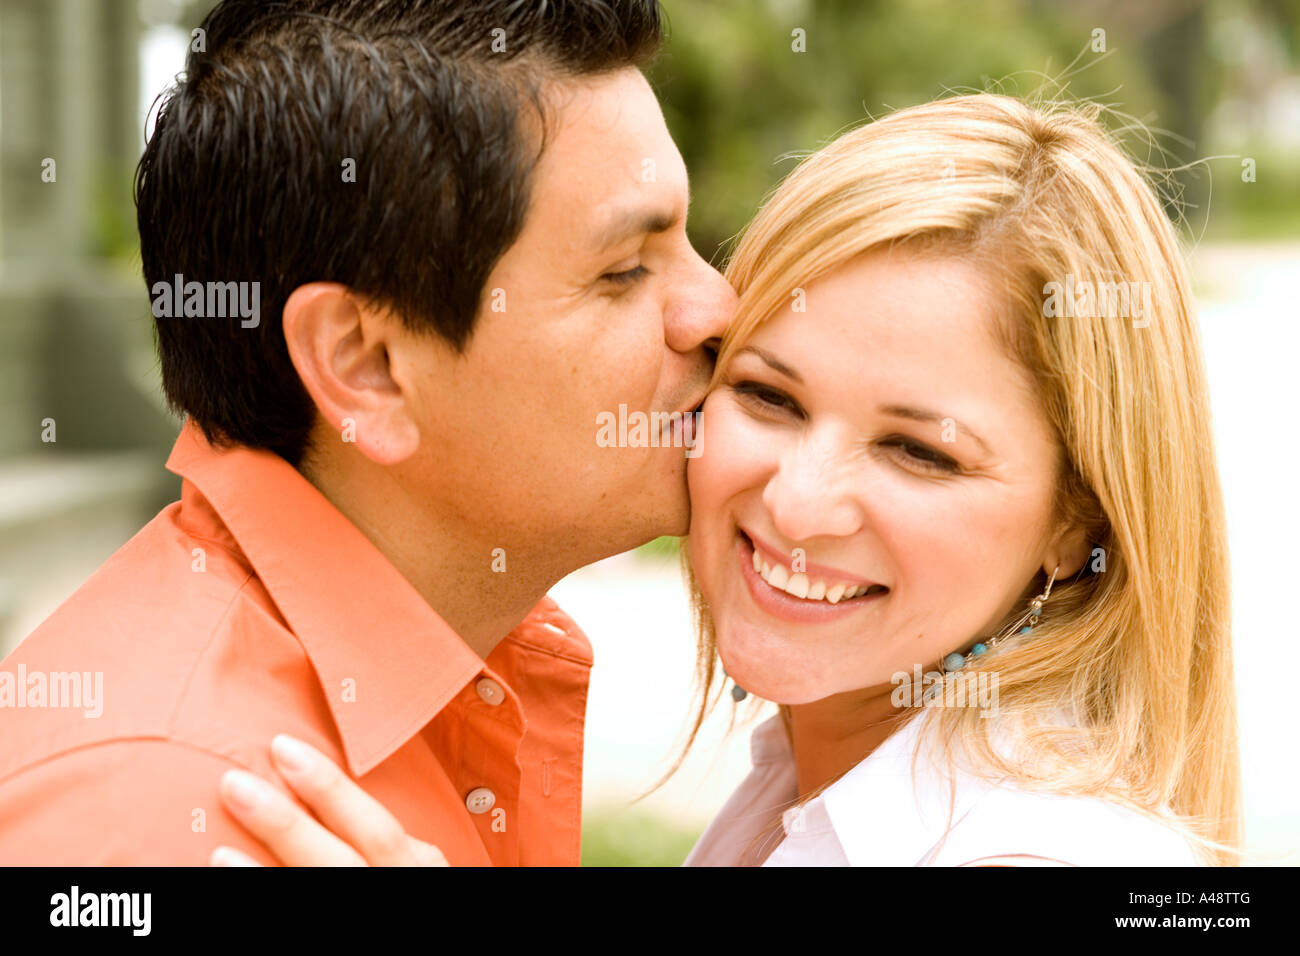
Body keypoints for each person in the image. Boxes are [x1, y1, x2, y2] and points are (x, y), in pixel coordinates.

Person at [230, 93, 1240, 867]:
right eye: (768, 396)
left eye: (919, 452)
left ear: (1077, 521)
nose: (797, 502)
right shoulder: (808, 787)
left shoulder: (1036, 851)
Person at [0, 0, 735, 865]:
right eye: (623, 272)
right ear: (366, 366)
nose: (717, 310)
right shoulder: (167, 811)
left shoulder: (460, 660)